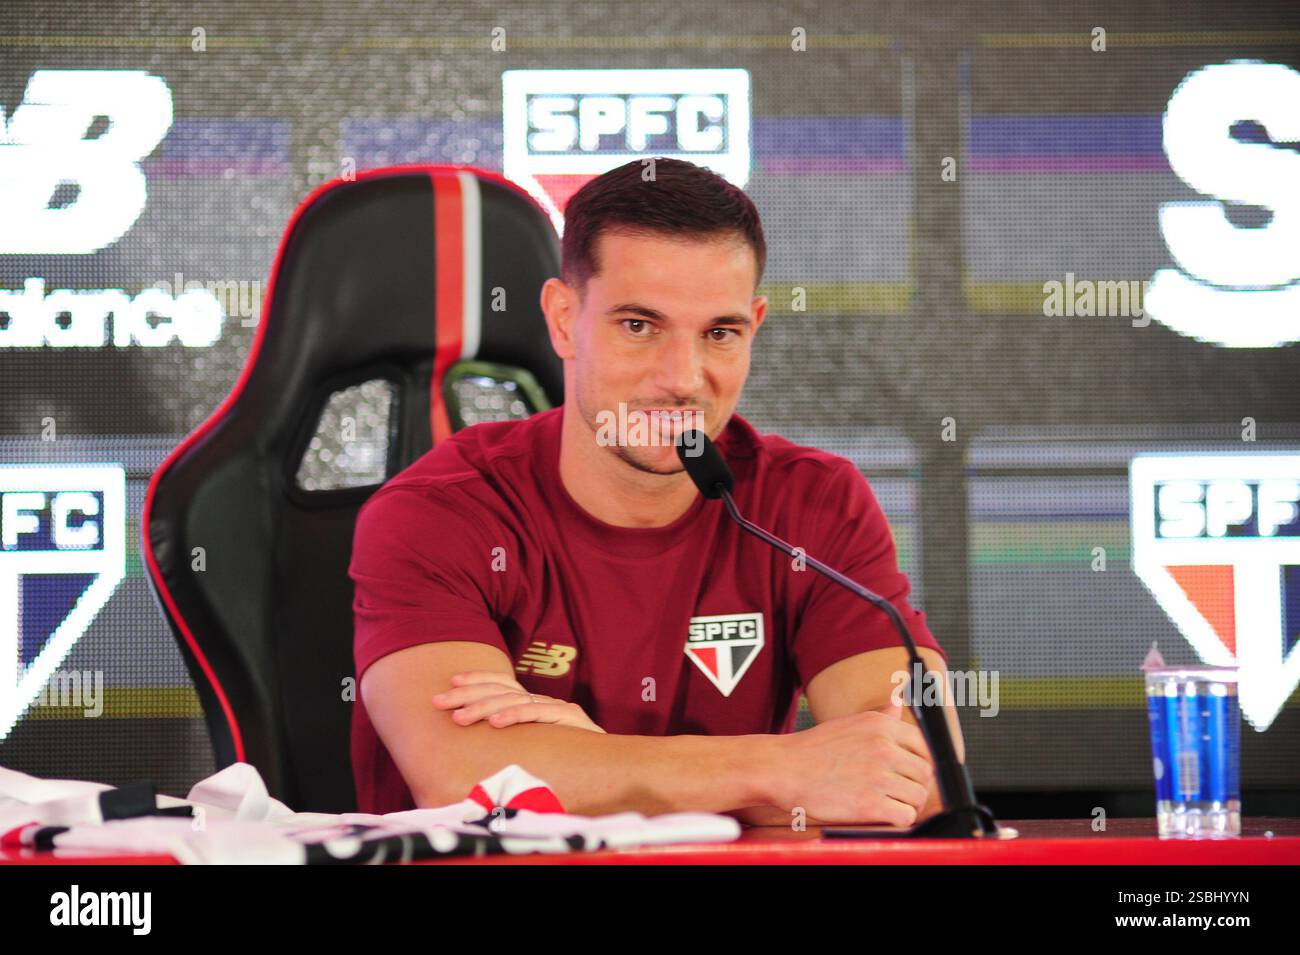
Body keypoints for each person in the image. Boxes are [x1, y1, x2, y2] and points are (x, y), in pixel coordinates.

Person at [349, 157, 963, 825]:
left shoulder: (814, 505)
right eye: (639, 326)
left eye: (719, 333)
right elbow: (465, 780)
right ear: (562, 318)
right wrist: (782, 770)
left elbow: (921, 781)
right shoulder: (440, 511)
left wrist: (588, 762)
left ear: (754, 326)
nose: (683, 377)